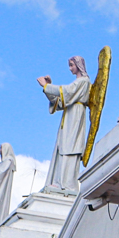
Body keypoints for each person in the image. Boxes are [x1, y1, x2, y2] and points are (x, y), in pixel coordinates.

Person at [36, 58, 90, 194]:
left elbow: (67, 91)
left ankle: (67, 184)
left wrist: (47, 86)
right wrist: (48, 89)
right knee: (63, 146)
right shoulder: (76, 85)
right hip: (69, 116)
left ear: (78, 65)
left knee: (71, 147)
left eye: (72, 65)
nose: (70, 68)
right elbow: (60, 102)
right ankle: (59, 181)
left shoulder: (84, 81)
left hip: (76, 117)